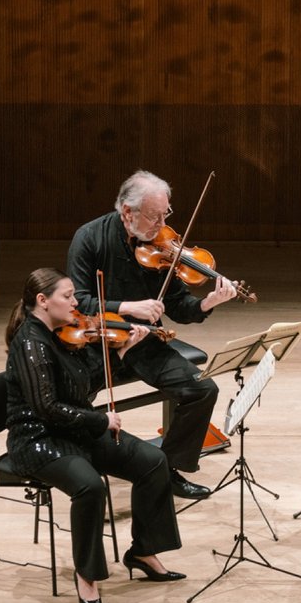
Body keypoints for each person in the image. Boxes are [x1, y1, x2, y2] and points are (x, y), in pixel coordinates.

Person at [5, 267, 187, 603]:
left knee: (153, 462)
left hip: (75, 429)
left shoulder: (61, 334)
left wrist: (120, 353)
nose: (76, 303)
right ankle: (87, 574)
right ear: (43, 301)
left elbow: (81, 386)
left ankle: (143, 551)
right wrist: (101, 420)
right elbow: (47, 409)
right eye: (68, 296)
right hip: (38, 438)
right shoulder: (30, 344)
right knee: (90, 487)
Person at [67, 170, 241, 502]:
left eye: (165, 214)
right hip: (97, 342)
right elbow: (79, 301)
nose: (161, 225)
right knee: (72, 399)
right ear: (127, 211)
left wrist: (208, 302)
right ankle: (81, 470)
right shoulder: (89, 238)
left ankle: (168, 469)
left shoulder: (162, 247)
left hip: (144, 343)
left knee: (202, 390)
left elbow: (179, 306)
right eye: (153, 216)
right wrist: (129, 307)